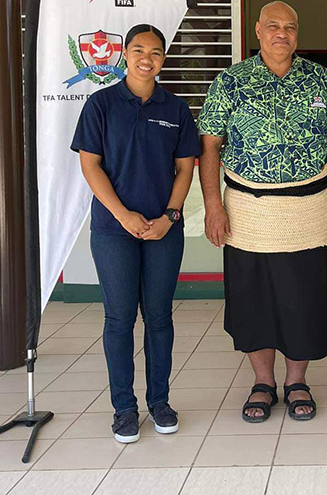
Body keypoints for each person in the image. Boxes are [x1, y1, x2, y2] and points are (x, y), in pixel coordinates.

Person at [197, 1, 327, 423]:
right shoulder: (230, 81)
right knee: (254, 300)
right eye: (273, 26)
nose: (282, 33)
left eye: (290, 27)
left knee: (305, 298)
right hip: (248, 212)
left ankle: (297, 380)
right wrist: (213, 204)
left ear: (297, 33)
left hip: (309, 211)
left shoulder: (321, 80)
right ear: (258, 31)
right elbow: (209, 147)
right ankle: (263, 381)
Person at [72, 24, 199, 443]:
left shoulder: (176, 108)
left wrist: (170, 215)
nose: (148, 58)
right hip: (114, 230)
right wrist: (123, 214)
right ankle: (124, 409)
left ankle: (159, 402)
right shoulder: (101, 104)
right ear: (124, 54)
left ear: (164, 58)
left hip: (164, 229)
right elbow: (91, 165)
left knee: (159, 317)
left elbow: (185, 169)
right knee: (119, 318)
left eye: (157, 52)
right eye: (139, 50)